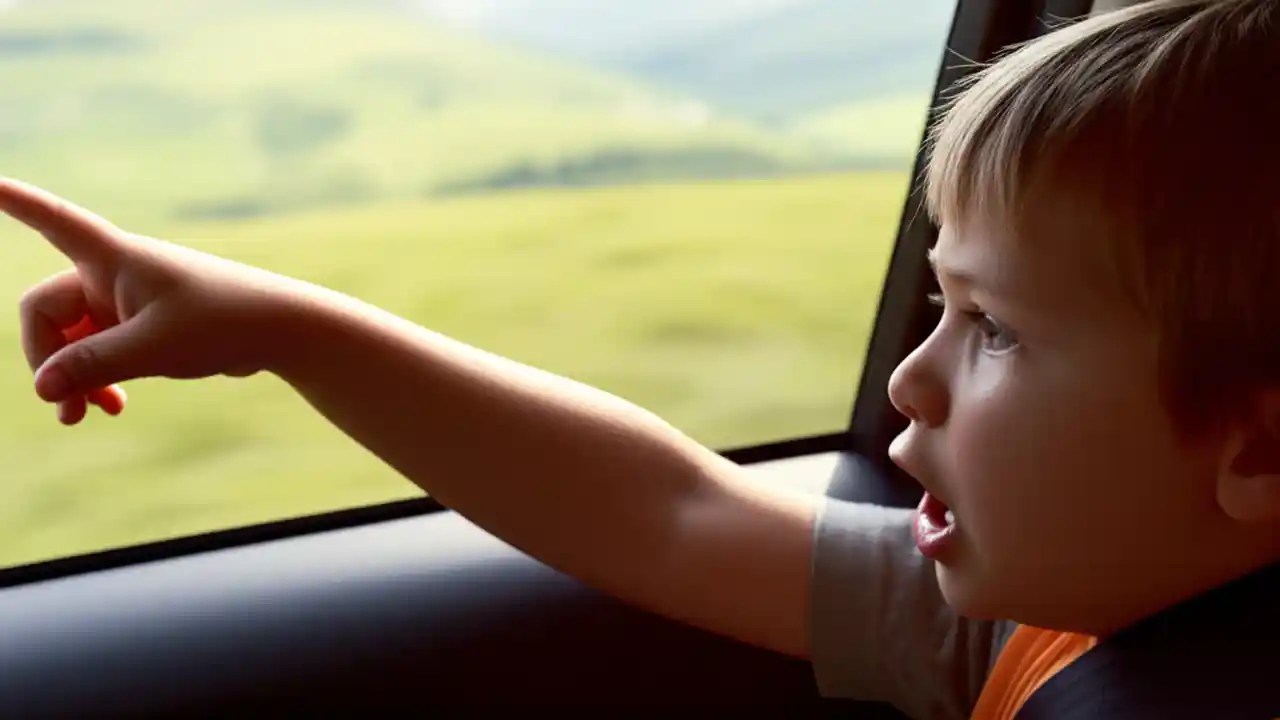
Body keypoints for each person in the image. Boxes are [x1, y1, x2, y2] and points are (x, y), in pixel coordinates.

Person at [3, 0, 1278, 717]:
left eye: (992, 328)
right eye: (932, 306)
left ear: (1257, 446)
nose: (908, 379)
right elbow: (665, 512)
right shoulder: (1028, 627)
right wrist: (281, 327)